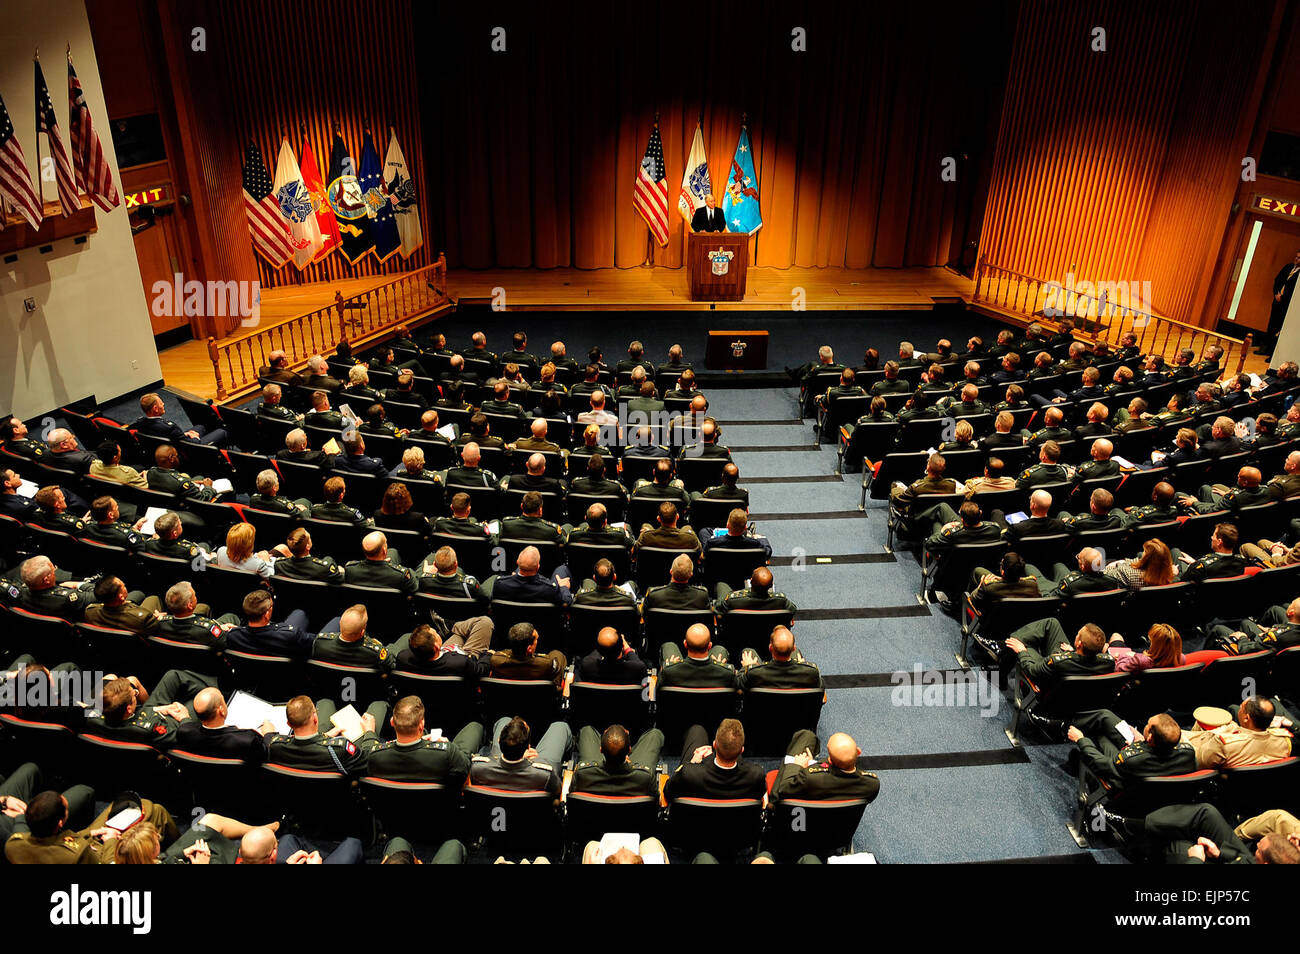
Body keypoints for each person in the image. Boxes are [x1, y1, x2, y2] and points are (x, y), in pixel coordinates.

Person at [6, 790, 177, 865]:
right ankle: (170, 849)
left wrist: (91, 832)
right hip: (103, 854)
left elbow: (62, 841)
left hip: (88, 841)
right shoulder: (77, 854)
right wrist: (110, 841)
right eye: (66, 809)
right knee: (152, 809)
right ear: (60, 822)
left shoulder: (13, 844)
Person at [366, 695, 483, 785]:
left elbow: (366, 752)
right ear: (421, 725)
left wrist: (370, 732)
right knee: (475, 727)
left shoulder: (375, 755)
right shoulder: (448, 752)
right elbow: (463, 770)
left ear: (392, 722)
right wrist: (450, 748)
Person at [265, 694, 386, 775]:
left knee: (325, 703)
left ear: (289, 724)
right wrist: (370, 731)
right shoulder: (339, 749)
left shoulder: (276, 746)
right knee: (379, 706)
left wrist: (325, 736)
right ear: (315, 719)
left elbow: (268, 739)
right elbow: (369, 760)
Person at [1066, 711, 1196, 785]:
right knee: (1105, 716)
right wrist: (1141, 742)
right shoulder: (1188, 753)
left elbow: (1103, 764)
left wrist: (1080, 739)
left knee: (1099, 738)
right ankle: (1065, 725)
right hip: (1141, 761)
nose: (1146, 725)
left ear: (1150, 737)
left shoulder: (1131, 759)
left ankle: (1064, 729)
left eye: (1148, 725)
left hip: (1121, 779)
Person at [663, 719, 766, 801]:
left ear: (714, 745)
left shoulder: (688, 773)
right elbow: (760, 795)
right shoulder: (756, 775)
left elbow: (668, 791)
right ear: (742, 751)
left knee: (697, 730)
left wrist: (691, 763)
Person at [469, 715, 571, 797]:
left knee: (505, 720)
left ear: (498, 741)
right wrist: (530, 759)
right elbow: (558, 792)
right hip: (537, 767)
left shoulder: (477, 768)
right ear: (528, 747)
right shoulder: (546, 774)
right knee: (560, 726)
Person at [770, 731, 880, 804]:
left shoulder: (809, 778)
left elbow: (783, 790)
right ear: (858, 751)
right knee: (807, 736)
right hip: (834, 828)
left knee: (805, 736)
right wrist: (814, 764)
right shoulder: (872, 784)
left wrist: (797, 766)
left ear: (830, 760)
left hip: (798, 817)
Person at [1183, 696, 1294, 768]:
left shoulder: (1222, 744)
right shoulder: (1284, 741)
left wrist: (1215, 733)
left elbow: (1198, 762)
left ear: (1246, 718)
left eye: (1241, 707)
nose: (1238, 709)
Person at [1004, 618, 1116, 688]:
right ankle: (1005, 645)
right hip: (1070, 668)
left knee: (1021, 643)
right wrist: (1074, 652)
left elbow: (1032, 671)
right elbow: (1084, 663)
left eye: (1078, 634)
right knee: (1052, 623)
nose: (1077, 635)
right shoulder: (1108, 662)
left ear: (1079, 644)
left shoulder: (1055, 662)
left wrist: (1022, 651)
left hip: (1048, 682)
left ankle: (1002, 651)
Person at [175, 687, 273, 764]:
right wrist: (269, 733)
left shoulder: (184, 732)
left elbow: (188, 727)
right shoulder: (248, 741)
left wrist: (184, 718)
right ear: (221, 710)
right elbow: (268, 755)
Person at [571, 723, 663, 797]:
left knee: (587, 730)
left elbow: (571, 792)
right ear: (629, 750)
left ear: (600, 750)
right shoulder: (645, 777)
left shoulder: (582, 773)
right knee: (655, 734)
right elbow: (655, 798)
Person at [226, 589, 315, 658]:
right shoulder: (290, 635)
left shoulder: (233, 636)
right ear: (267, 614)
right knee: (299, 613)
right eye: (272, 606)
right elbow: (314, 643)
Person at [739, 625, 822, 690]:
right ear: (793, 648)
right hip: (798, 710)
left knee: (748, 651)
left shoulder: (753, 673)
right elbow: (820, 691)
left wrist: (747, 667)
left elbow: (738, 684)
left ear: (770, 648)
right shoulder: (811, 672)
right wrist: (802, 665)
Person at [488, 622, 568, 690]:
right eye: (536, 639)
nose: (537, 639)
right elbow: (557, 665)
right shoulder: (546, 663)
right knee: (557, 655)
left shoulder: (496, 660)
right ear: (529, 648)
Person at [657, 622, 736, 689]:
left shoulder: (668, 672)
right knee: (719, 649)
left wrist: (671, 667)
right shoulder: (728, 673)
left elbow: (655, 693)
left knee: (669, 646)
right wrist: (719, 666)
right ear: (709, 646)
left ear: (685, 644)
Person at [574, 626, 647, 685]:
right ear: (621, 646)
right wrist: (627, 648)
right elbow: (639, 664)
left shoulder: (587, 665)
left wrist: (604, 645)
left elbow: (595, 654)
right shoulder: (637, 669)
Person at [1106, 622, 1186, 672]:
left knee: (1109, 642)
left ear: (1156, 645)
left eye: (1151, 641)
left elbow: (1117, 668)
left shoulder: (1140, 661)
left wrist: (1123, 656)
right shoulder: (1180, 658)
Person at [1104, 538, 1178, 591]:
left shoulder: (1129, 574)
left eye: (1145, 551)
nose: (1143, 553)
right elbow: (1138, 561)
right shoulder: (1170, 575)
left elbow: (1106, 572)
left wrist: (1117, 563)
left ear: (1148, 559)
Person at [1263, 248, 1300, 354]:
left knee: (1280, 327)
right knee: (1271, 324)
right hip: (1277, 300)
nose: (1296, 259)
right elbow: (1277, 280)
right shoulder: (1288, 267)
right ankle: (1265, 347)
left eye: (1299, 258)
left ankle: (1272, 352)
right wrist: (1276, 293)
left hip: (1287, 304)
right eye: (1296, 257)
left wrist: (1283, 298)